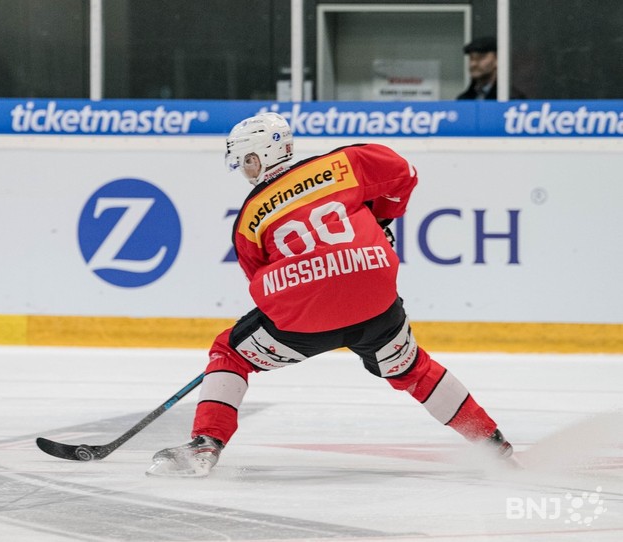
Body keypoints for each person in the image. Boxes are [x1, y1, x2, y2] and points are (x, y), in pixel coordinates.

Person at [147, 112, 514, 477]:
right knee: (414, 370)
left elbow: (257, 278)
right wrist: (381, 218)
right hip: (374, 300)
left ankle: (206, 443)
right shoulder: (346, 163)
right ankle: (492, 445)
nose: (246, 172)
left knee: (230, 352)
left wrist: (301, 292)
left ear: (257, 158)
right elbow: (405, 172)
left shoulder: (249, 217)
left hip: (303, 315)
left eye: (246, 163)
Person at [457, 36, 526, 100]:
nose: (473, 64)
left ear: (497, 60)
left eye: (480, 57)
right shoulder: (463, 100)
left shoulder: (511, 99)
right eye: (471, 58)